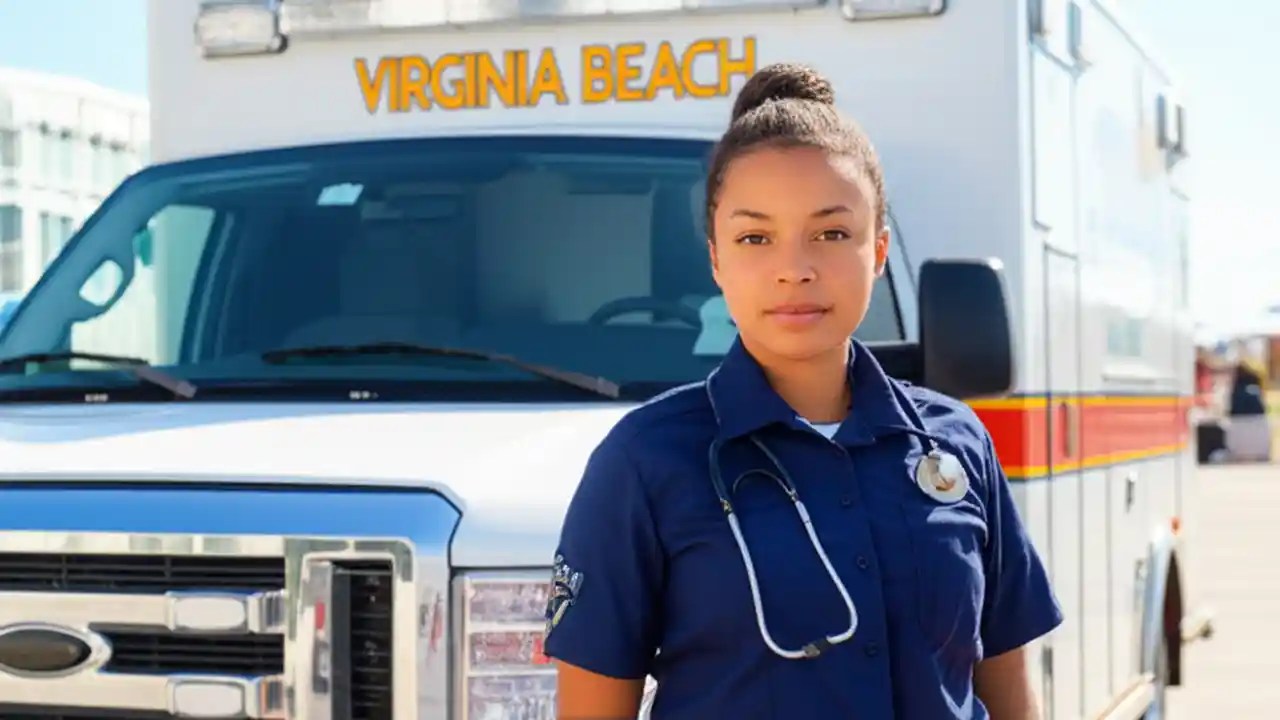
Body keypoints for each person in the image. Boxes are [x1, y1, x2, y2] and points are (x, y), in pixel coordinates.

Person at [541, 62, 1063, 720]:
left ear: (876, 252)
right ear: (716, 259)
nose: (795, 269)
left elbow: (1008, 685)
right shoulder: (643, 463)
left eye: (831, 233)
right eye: (756, 237)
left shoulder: (957, 446)